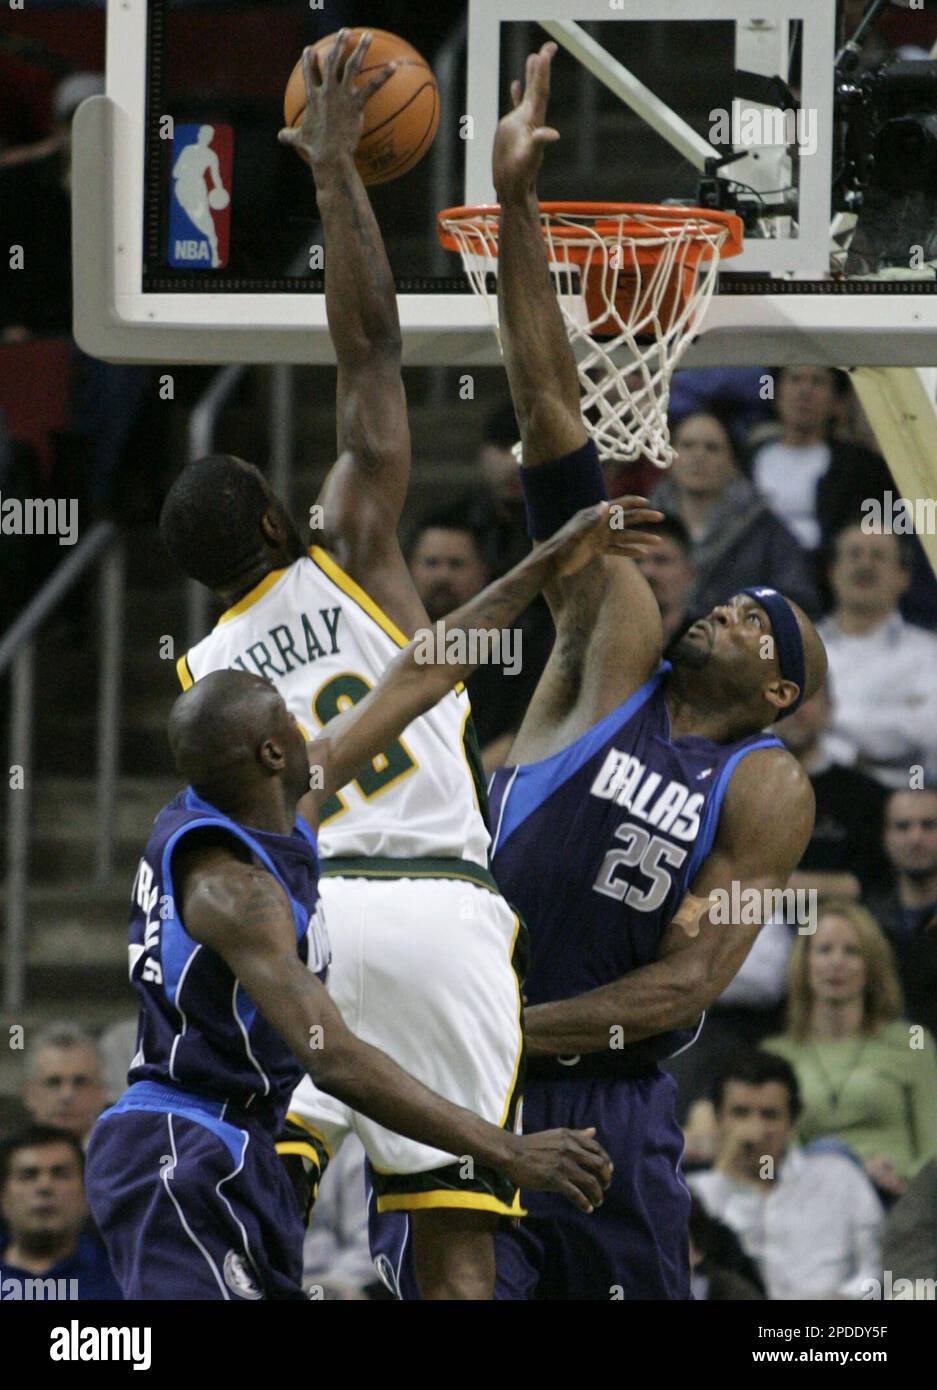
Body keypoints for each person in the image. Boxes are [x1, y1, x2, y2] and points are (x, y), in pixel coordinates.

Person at [156, 34, 632, 1301]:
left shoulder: (205, 685)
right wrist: (334, 176)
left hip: (304, 923)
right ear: (274, 515)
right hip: (440, 911)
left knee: (250, 1206)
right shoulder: (352, 547)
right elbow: (369, 355)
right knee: (456, 1242)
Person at [370, 40, 827, 1302]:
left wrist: (500, 1020)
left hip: (613, 1113)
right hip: (474, 1097)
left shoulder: (762, 780)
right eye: (729, 597)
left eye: (757, 619)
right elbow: (553, 414)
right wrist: (516, 205)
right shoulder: (615, 643)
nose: (726, 606)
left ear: (780, 692)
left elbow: (686, 985)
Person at [86, 503, 626, 1301]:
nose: (315, 725)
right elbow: (332, 1057)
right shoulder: (235, 891)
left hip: (234, 1141)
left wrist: (544, 560)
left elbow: (424, 670)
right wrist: (506, 1150)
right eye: (289, 719)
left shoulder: (280, 803)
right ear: (274, 750)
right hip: (183, 1144)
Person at [763, 899, 937, 1199]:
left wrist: (904, 1180)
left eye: (852, 951)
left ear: (871, 967)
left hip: (895, 1198)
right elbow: (770, 1156)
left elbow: (932, 1145)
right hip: (808, 1197)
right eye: (825, 950)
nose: (836, 963)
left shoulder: (911, 1043)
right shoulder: (774, 1056)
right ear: (804, 964)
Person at [688, 1051, 883, 1300]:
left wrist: (844, 1296)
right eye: (740, 1113)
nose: (754, 1130)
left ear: (792, 1120)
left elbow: (879, 1265)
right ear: (718, 1118)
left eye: (769, 1115)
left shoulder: (839, 1176)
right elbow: (695, 1274)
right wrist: (725, 1174)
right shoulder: (692, 1194)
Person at [407, 505, 552, 766]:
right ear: (410, 569)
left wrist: (467, 786)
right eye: (431, 563)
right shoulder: (382, 638)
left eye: (456, 564)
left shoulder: (517, 645)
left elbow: (526, 731)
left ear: (483, 571)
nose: (443, 575)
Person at [652, 408, 821, 617]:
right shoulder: (644, 522)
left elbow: (799, 601)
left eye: (712, 448)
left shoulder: (766, 531)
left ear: (733, 461)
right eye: (687, 446)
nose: (698, 456)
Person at [818, 525, 937, 787]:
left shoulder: (928, 654)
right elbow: (778, 727)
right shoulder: (803, 649)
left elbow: (929, 730)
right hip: (817, 798)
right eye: (854, 554)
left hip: (902, 800)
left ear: (903, 577)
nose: (865, 565)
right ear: (832, 572)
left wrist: (822, 721)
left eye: (878, 556)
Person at [777, 678, 891, 900]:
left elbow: (871, 881)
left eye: (808, 698)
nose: (796, 710)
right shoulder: (739, 787)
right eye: (784, 696)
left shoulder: (866, 796)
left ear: (830, 708)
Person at [0, 1126, 121, 1300]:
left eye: (61, 1175)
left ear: (87, 1195)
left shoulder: (122, 1280)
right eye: (28, 1175)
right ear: (3, 1197)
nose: (44, 1187)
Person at [866, 789, 937, 1041]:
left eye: (929, 825)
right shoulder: (865, 921)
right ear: (886, 837)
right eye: (903, 826)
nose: (916, 838)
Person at [21, 1023, 106, 1147]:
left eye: (80, 1082)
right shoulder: (6, 1161)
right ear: (29, 1094)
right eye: (53, 1083)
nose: (66, 1096)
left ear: (101, 1092)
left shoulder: (124, 1160)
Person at [634, 513, 697, 648]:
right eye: (636, 561)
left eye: (661, 560)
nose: (647, 571)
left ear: (689, 572)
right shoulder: (600, 642)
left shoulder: (709, 647)